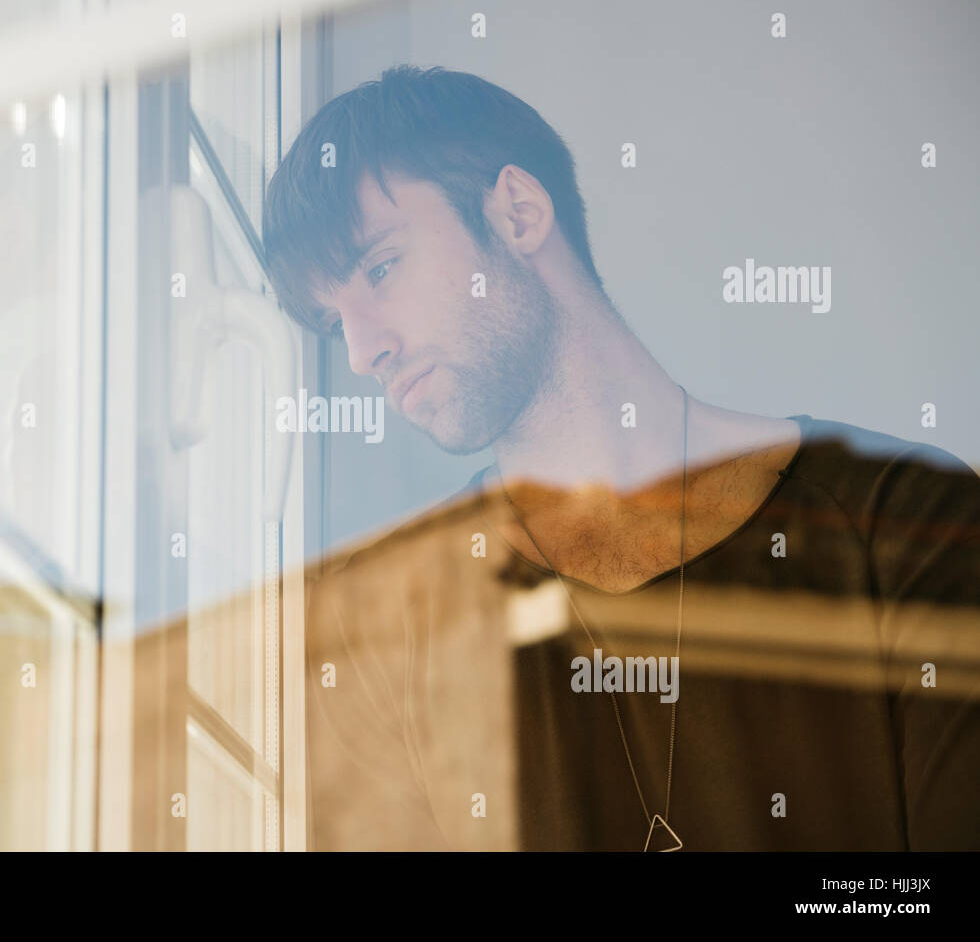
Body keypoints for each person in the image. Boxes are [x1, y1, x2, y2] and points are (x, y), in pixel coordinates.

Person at [262, 65, 980, 850]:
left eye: (381, 269)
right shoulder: (377, 629)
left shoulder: (910, 520)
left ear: (518, 212)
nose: (364, 352)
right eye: (336, 325)